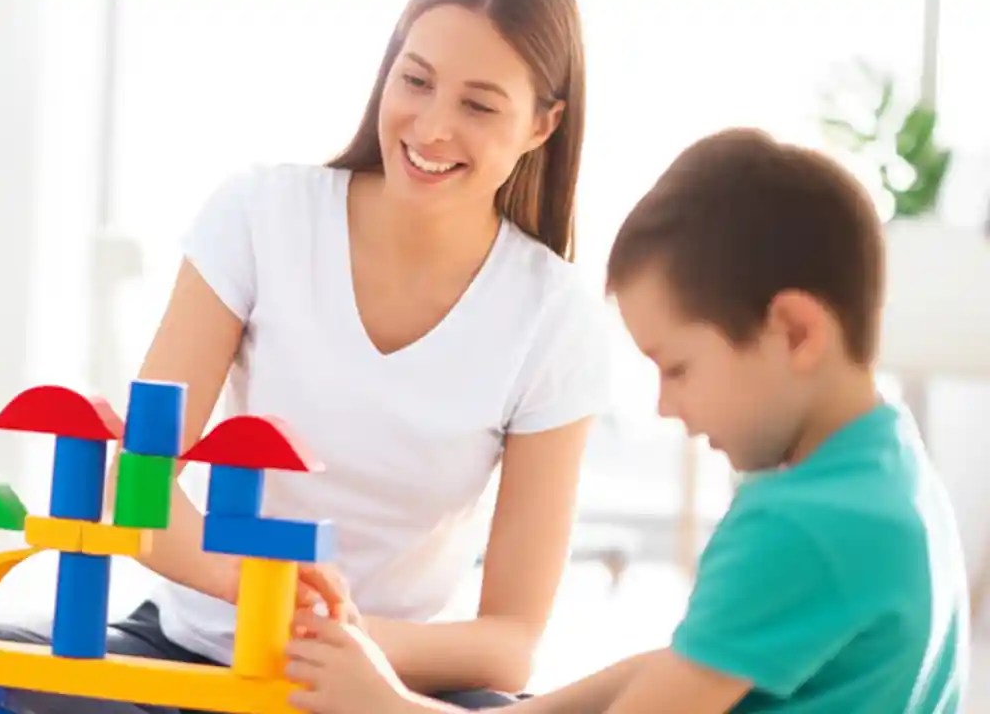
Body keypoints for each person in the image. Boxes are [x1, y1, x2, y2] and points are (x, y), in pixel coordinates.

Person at [0, 0, 610, 711]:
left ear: (542, 124)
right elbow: (141, 487)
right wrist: (243, 585)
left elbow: (509, 641)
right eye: (416, 80)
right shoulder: (263, 213)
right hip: (183, 655)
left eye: (478, 104)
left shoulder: (553, 314)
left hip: (367, 687)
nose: (432, 127)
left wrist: (339, 651)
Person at [282, 128, 971, 713]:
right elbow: (686, 660)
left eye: (677, 367)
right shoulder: (889, 471)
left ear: (794, 331)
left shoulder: (799, 523)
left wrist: (387, 709)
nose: (666, 406)